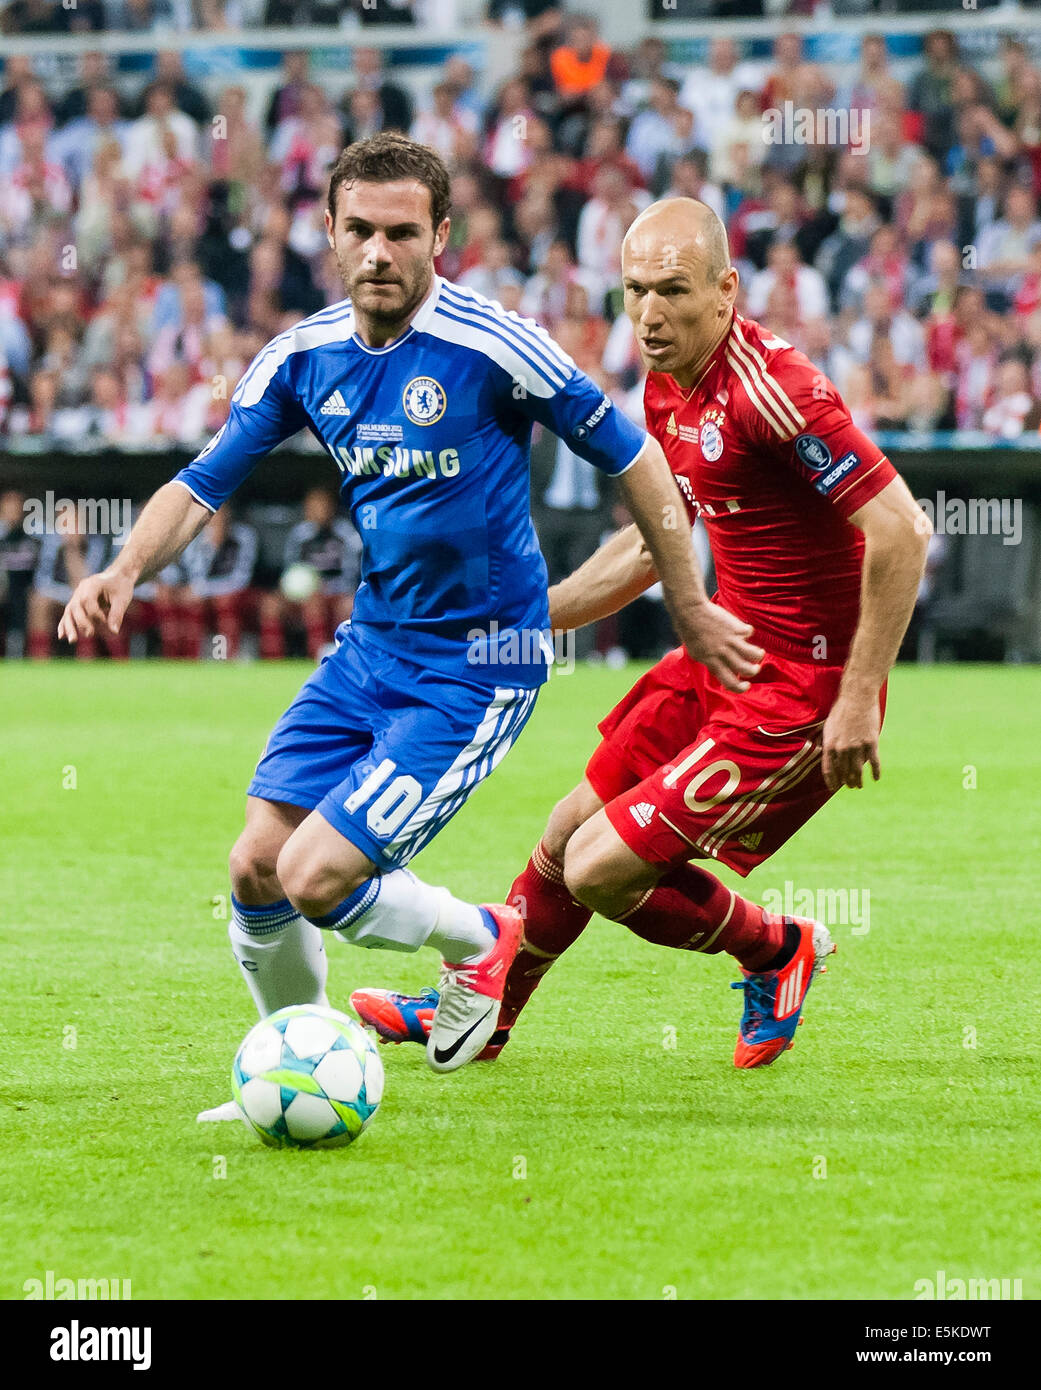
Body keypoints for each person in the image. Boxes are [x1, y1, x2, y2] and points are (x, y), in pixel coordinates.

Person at [57, 138, 756, 1085]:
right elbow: (203, 481)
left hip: (479, 664)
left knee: (314, 877)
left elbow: (636, 461)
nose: (378, 252)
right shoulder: (301, 358)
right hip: (368, 652)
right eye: (359, 231)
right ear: (331, 237)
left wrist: (685, 599)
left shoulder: (493, 347)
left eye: (399, 232)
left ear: (440, 237)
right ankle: (292, 1070)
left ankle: (482, 936)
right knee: (256, 870)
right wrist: (126, 568)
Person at [354, 197, 932, 1071]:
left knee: (597, 870)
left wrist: (856, 698)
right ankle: (477, 1012)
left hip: (798, 691)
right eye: (634, 291)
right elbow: (651, 542)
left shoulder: (778, 393)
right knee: (561, 834)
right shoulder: (667, 381)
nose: (649, 314)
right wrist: (531, 616)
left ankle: (777, 948)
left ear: (726, 289)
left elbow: (901, 530)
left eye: (671, 290)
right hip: (722, 656)